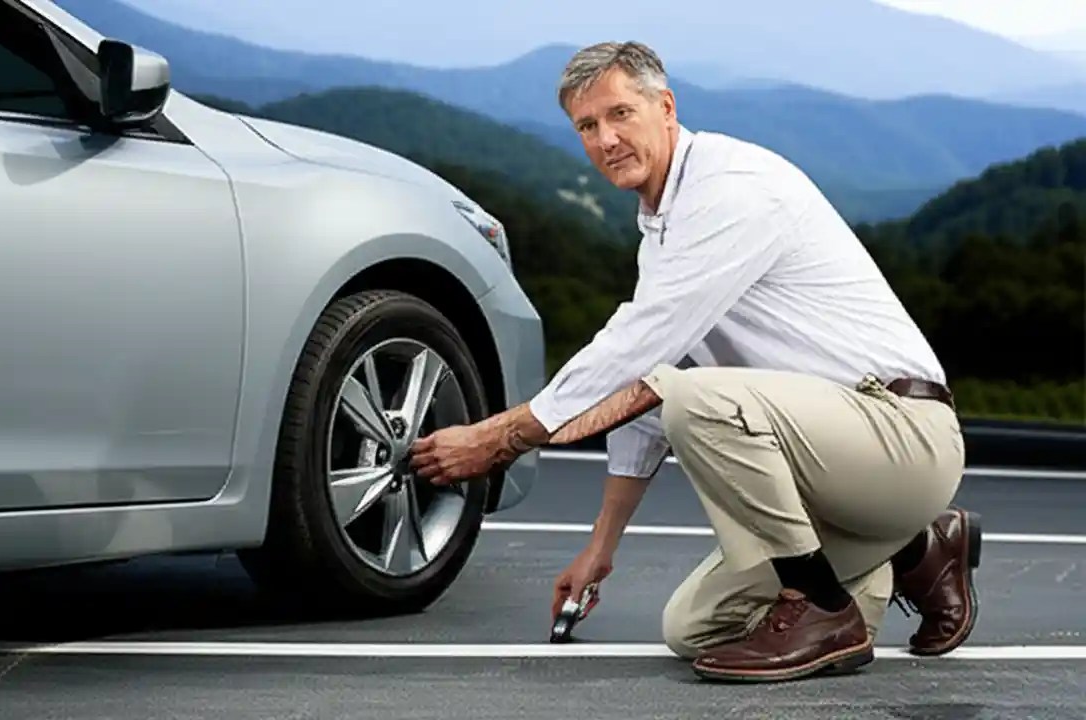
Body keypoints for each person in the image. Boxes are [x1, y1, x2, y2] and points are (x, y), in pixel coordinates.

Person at [408, 40, 982, 683]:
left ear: (667, 107)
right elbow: (642, 397)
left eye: (621, 114)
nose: (606, 140)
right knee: (691, 629)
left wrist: (499, 437)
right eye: (587, 127)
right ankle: (915, 548)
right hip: (844, 473)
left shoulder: (730, 191)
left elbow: (642, 353)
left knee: (696, 397)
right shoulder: (663, 224)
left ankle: (822, 607)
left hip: (900, 432)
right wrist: (601, 547)